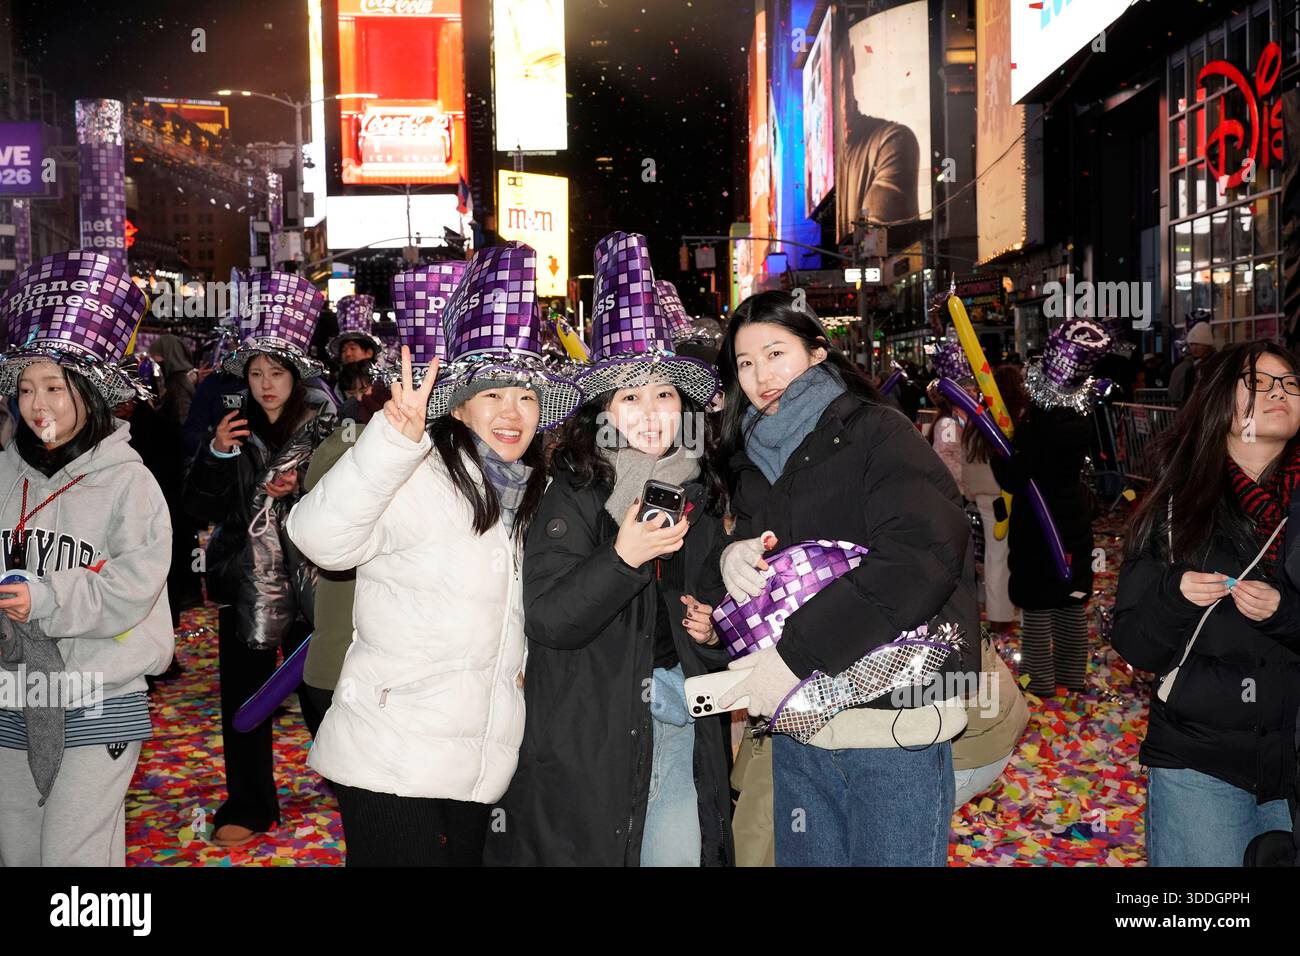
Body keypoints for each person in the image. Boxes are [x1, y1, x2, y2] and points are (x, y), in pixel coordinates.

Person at [289, 244, 580, 866]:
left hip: (479, 762)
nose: (512, 412)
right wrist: (389, 444)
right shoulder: (413, 469)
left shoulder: (534, 494)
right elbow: (318, 539)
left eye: (526, 397)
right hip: (392, 755)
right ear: (460, 403)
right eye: (494, 393)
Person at [485, 232, 734, 867]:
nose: (651, 414)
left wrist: (711, 625)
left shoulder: (698, 486)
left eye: (664, 395)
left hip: (676, 722)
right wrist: (621, 558)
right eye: (630, 396)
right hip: (590, 737)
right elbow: (548, 619)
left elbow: (701, 613)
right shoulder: (570, 489)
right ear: (602, 410)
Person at [714, 289, 979, 867]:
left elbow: (922, 556)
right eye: (745, 363)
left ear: (816, 353)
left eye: (776, 353)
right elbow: (777, 575)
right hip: (800, 728)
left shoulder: (876, 432)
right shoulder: (756, 458)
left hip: (892, 724)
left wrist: (796, 653)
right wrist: (731, 558)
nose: (761, 376)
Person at [0, 251, 174, 866]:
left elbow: (135, 585)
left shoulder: (128, 482)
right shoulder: (5, 473)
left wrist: (46, 598)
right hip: (13, 692)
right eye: (25, 388)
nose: (37, 403)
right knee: (18, 853)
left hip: (99, 694)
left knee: (72, 858)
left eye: (54, 386)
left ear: (89, 392)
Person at [1113, 342, 1300, 866]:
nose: (1279, 393)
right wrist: (1174, 596)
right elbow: (1135, 644)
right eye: (1259, 383)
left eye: (1289, 383)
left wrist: (1285, 616)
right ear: (1221, 401)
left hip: (1294, 763)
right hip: (1200, 764)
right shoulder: (1177, 507)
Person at [182, 272, 337, 847]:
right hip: (244, 580)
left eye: (276, 372)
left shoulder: (326, 426)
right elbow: (198, 505)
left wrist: (302, 485)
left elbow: (355, 500)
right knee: (244, 698)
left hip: (314, 579)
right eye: (255, 373)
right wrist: (219, 453)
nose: (266, 384)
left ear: (296, 374)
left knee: (324, 689)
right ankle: (249, 801)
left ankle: (348, 777)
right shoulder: (232, 428)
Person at [297, 260, 466, 737]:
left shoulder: (500, 462)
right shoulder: (365, 433)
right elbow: (319, 526)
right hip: (361, 667)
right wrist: (388, 441)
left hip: (456, 690)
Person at [990, 320, 1107, 697]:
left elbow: (1014, 476)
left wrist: (1001, 451)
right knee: (1071, 605)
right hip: (1072, 521)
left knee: (1038, 608)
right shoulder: (1079, 419)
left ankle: (1040, 681)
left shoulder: (1038, 425)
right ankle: (1072, 678)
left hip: (1041, 530)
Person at [148, 333, 196, 428]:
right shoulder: (176, 380)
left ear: (168, 354)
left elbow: (183, 423)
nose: (153, 360)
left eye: (156, 356)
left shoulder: (179, 384)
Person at [1169, 318, 1217, 404]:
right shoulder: (1191, 368)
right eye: (1191, 344)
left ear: (1207, 344)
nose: (1194, 348)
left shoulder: (1216, 365)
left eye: (1197, 344)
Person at [328, 294, 383, 367]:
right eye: (343, 350)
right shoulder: (335, 378)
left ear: (369, 353)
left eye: (352, 348)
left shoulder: (380, 378)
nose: (347, 354)